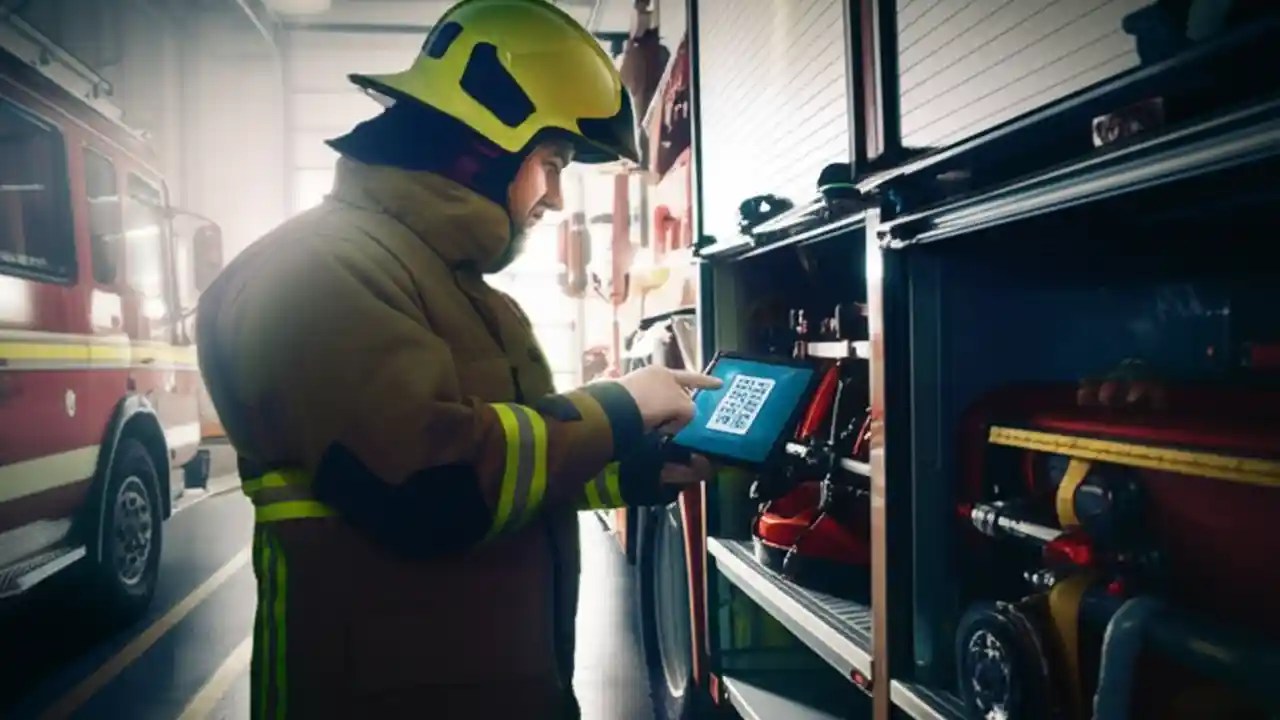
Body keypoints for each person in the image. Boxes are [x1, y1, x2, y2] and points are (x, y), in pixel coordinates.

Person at [194, 1, 721, 718]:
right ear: (484, 143)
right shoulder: (315, 270)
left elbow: (507, 466)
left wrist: (627, 468)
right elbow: (431, 488)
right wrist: (620, 405)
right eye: (552, 164)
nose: (558, 199)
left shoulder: (455, 288)